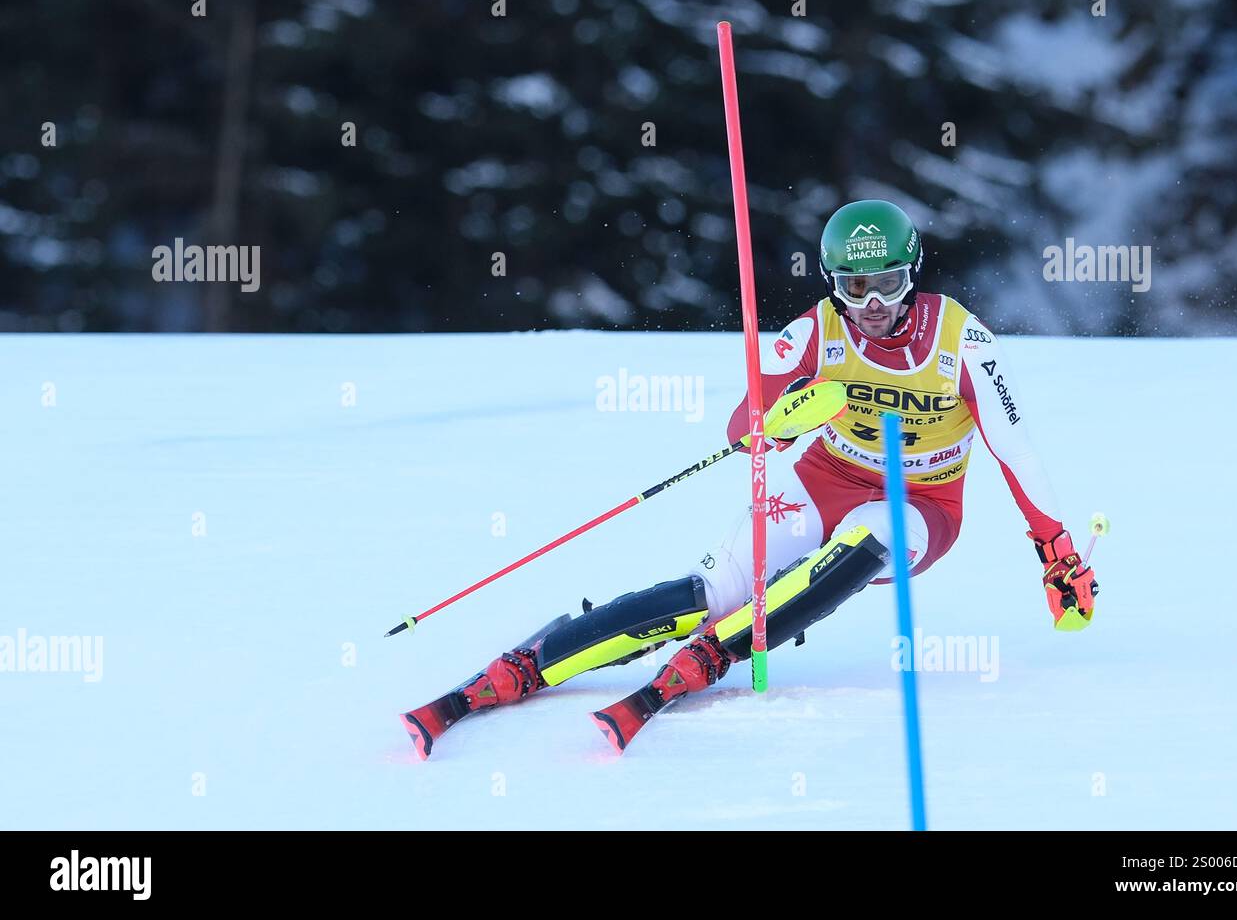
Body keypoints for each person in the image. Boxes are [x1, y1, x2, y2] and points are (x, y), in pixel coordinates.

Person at [401, 199, 1099, 758]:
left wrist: (1055, 552)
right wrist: (773, 422)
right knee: (714, 592)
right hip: (823, 478)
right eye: (856, 286)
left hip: (921, 505)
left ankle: (716, 654)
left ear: (910, 274)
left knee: (866, 538)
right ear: (834, 283)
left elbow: (1017, 452)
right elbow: (745, 420)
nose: (873, 302)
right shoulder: (819, 331)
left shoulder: (962, 340)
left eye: (887, 282)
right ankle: (533, 662)